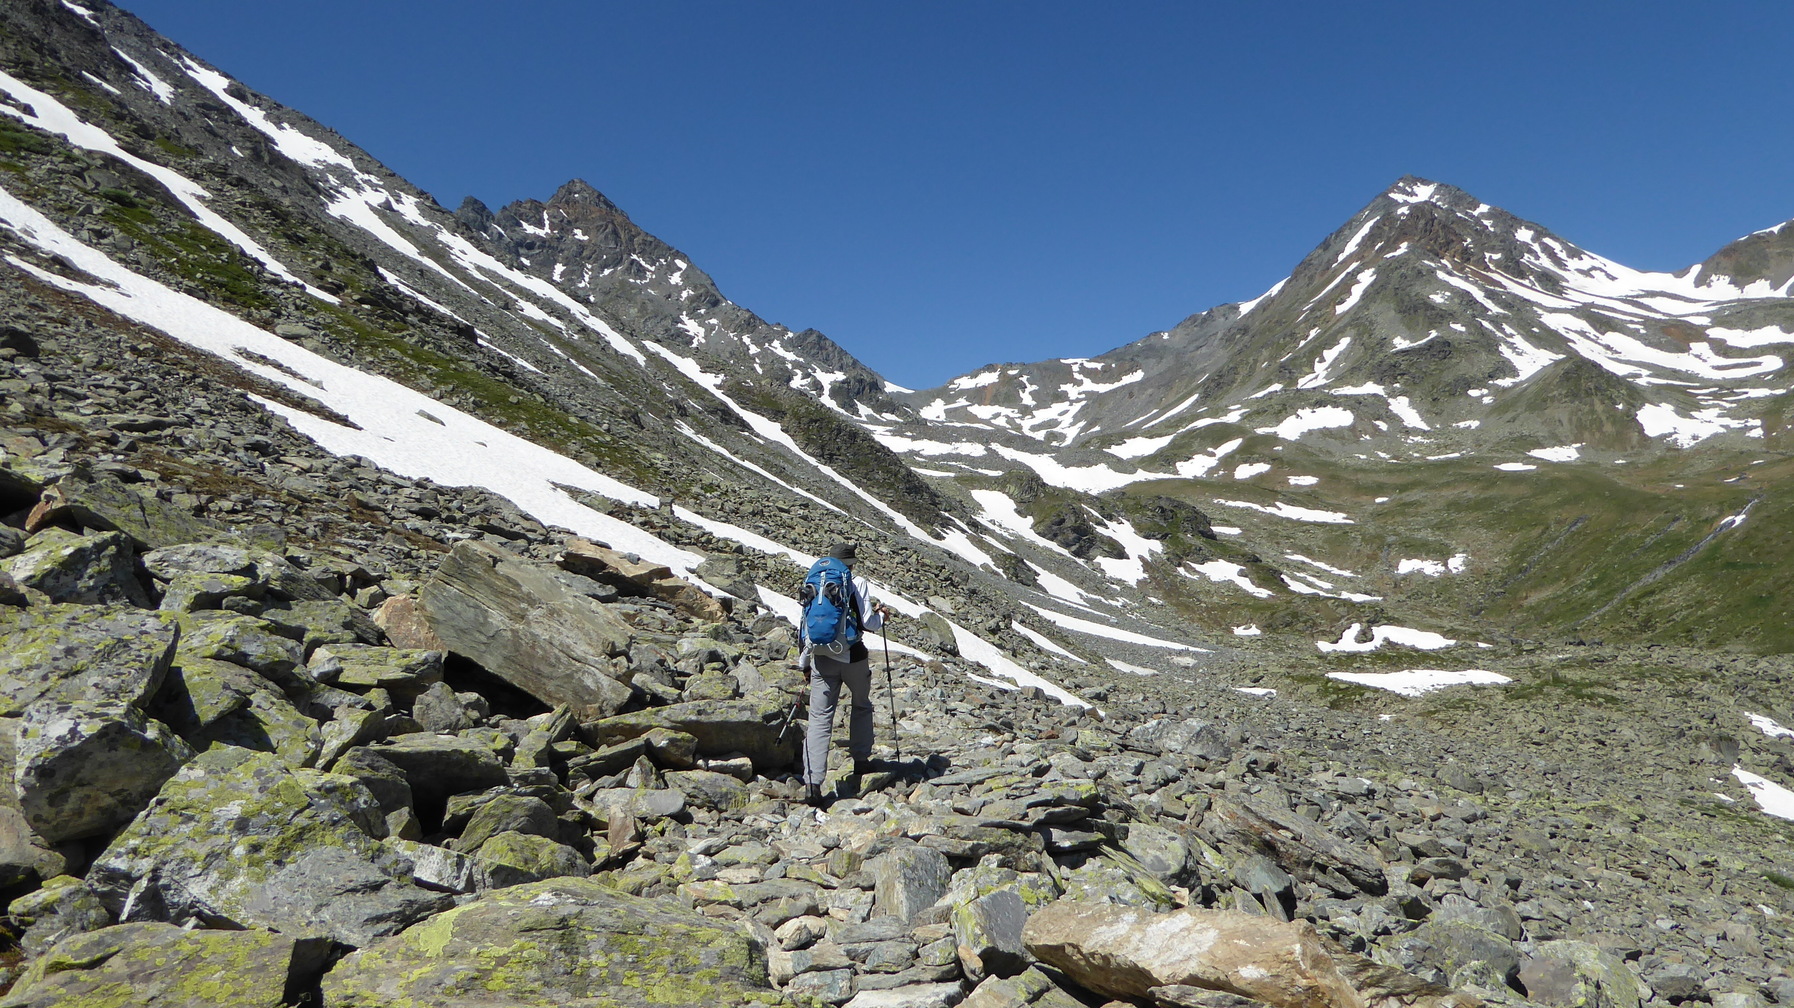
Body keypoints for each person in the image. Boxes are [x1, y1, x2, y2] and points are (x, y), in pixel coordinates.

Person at [800, 543, 890, 807]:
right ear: (851, 563)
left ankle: (812, 784)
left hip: (821, 658)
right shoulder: (857, 582)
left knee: (819, 719)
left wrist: (805, 662)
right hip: (853, 656)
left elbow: (805, 623)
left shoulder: (814, 581)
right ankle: (861, 762)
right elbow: (868, 623)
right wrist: (882, 616)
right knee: (861, 705)